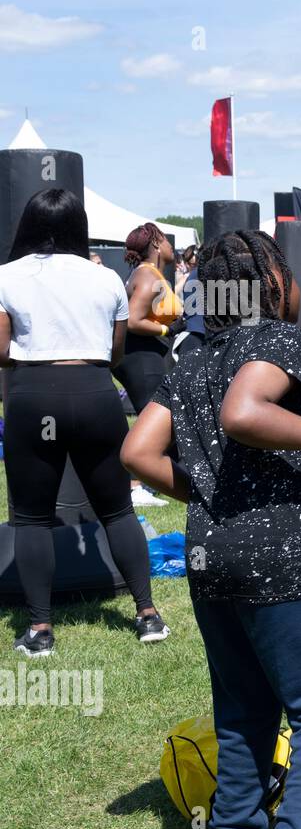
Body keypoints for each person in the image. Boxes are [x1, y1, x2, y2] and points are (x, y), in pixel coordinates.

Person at [120, 229, 301, 829]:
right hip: (286, 559)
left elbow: (136, 452)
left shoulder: (192, 358)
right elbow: (243, 414)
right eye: (290, 273)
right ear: (270, 284)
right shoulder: (274, 339)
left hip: (210, 558)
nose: (300, 285)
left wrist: (205, 489)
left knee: (243, 719)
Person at [0, 189, 168, 656]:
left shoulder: (5, 276)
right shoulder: (108, 278)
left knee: (31, 518)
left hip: (34, 394)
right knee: (117, 508)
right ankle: (148, 614)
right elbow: (115, 351)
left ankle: (39, 630)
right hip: (96, 393)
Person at [119, 223, 182, 415]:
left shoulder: (148, 273)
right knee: (156, 422)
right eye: (164, 239)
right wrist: (167, 330)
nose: (170, 245)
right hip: (141, 357)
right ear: (156, 244)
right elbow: (133, 320)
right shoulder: (148, 276)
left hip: (145, 353)